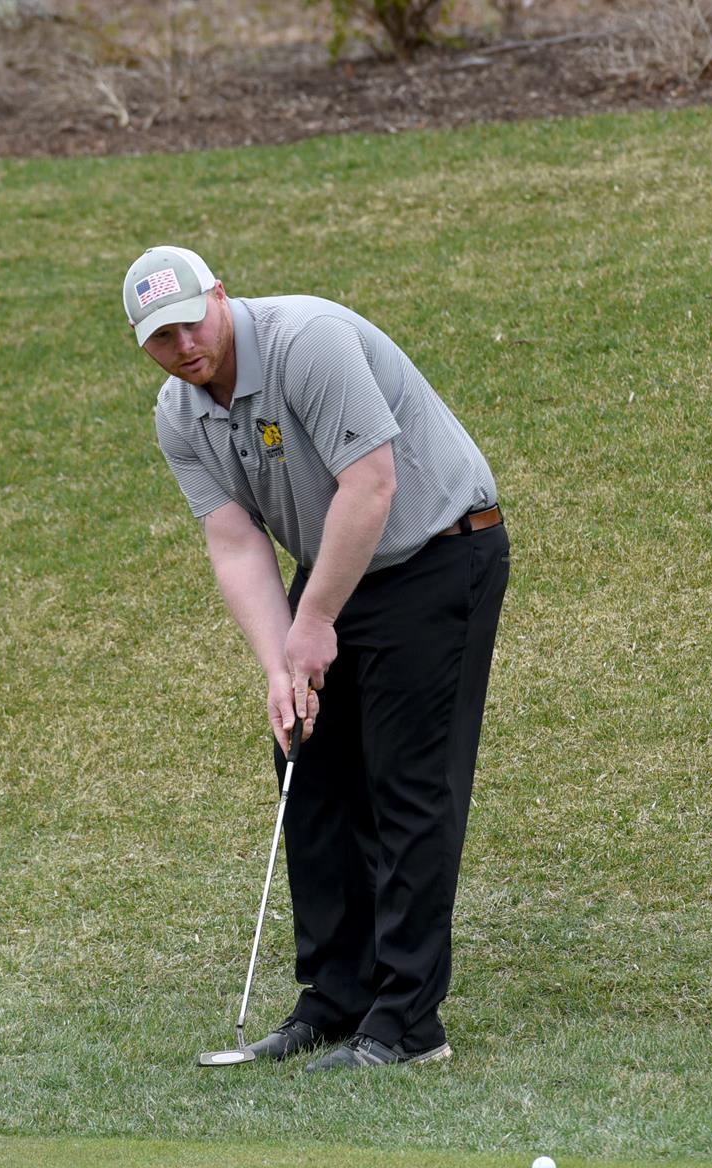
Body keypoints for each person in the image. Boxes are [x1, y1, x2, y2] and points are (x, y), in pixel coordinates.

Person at [125, 245, 509, 1072]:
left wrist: (318, 617)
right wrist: (279, 658)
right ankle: (336, 997)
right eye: (162, 337)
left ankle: (409, 1026)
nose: (184, 345)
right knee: (311, 767)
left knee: (409, 784)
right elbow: (233, 543)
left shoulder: (308, 341)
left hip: (438, 550)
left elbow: (371, 484)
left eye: (192, 322)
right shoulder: (178, 413)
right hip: (340, 560)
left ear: (220, 298)